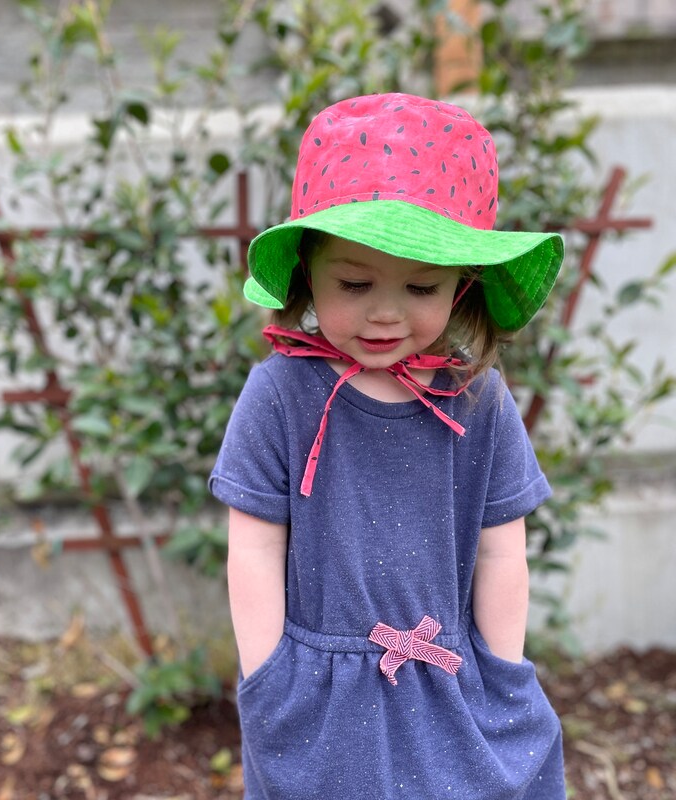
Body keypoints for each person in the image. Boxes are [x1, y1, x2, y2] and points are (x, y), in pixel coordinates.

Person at [209, 92, 566, 799]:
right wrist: (268, 678)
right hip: (316, 697)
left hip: (450, 685)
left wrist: (503, 671)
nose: (384, 311)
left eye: (421, 286)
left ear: (463, 288)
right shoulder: (279, 398)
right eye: (355, 281)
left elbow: (503, 551)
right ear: (308, 269)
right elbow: (252, 547)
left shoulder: (477, 402)